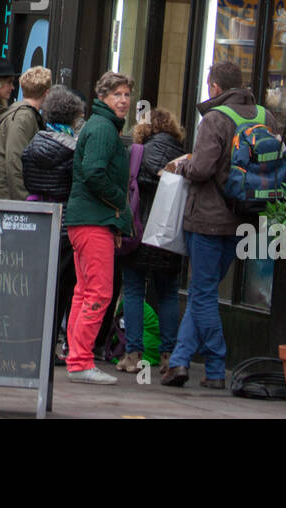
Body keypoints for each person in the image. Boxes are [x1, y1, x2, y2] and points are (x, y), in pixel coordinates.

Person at [162, 61, 278, 390]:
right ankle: (181, 362)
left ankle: (215, 365)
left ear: (215, 88)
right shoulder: (264, 116)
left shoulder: (215, 119)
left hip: (209, 220)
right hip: (245, 218)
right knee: (205, 290)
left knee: (202, 293)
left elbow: (200, 170)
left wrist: (180, 167)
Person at [63, 71, 134, 385]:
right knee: (99, 292)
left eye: (127, 95)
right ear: (103, 97)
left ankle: (77, 358)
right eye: (117, 94)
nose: (123, 101)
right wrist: (119, 201)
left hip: (87, 219)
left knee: (84, 291)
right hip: (93, 221)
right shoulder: (104, 128)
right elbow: (93, 172)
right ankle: (80, 361)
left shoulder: (99, 125)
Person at [116, 108, 186, 375]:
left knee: (134, 289)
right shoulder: (182, 156)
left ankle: (133, 355)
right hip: (168, 233)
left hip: (138, 230)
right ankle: (169, 357)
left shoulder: (136, 153)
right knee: (168, 292)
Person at [21, 84, 86, 363]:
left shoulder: (34, 144)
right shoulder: (73, 151)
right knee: (62, 287)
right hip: (63, 220)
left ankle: (31, 341)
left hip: (37, 215)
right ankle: (50, 347)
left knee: (38, 284)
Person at [0, 65, 50, 200]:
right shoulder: (24, 117)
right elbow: (14, 160)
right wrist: (24, 200)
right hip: (5, 198)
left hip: (2, 196)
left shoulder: (22, 114)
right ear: (47, 93)